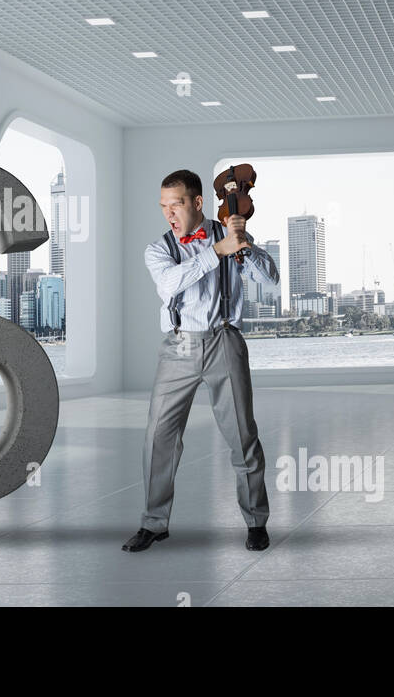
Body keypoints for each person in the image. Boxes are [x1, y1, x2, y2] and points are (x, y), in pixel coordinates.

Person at [122, 168, 273, 553]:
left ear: (198, 203)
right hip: (179, 346)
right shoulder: (158, 249)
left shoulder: (228, 232)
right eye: (163, 206)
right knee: (158, 437)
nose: (169, 213)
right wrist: (214, 252)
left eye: (177, 204)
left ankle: (256, 523)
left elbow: (270, 280)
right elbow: (169, 284)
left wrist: (244, 245)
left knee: (242, 437)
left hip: (224, 339)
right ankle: (154, 523)